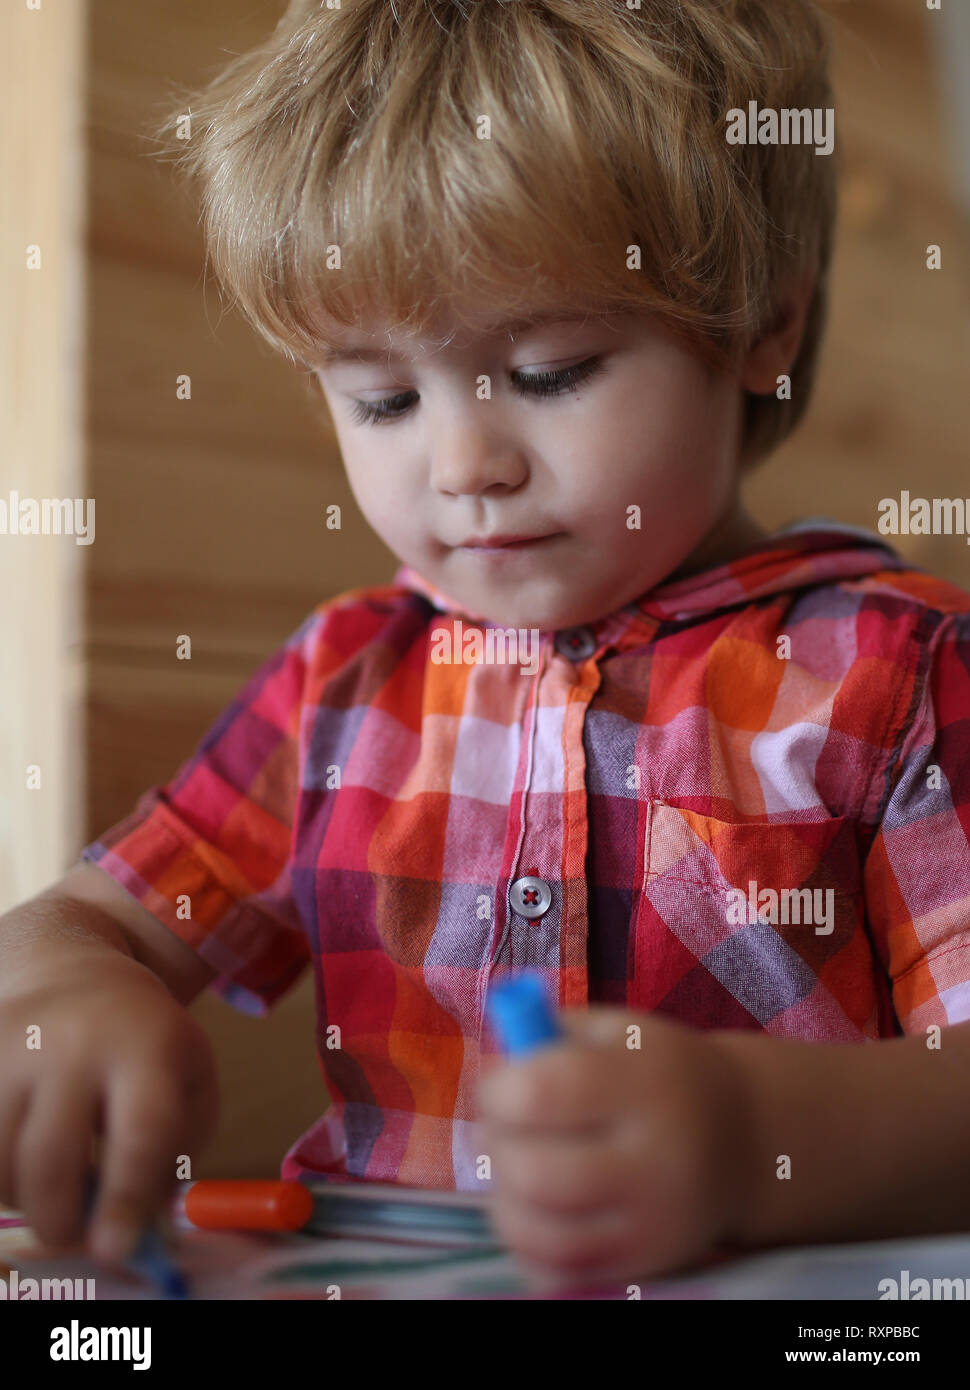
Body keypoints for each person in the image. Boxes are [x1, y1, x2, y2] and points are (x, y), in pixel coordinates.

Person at [2, 0, 969, 1287]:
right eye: (384, 397)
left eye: (555, 369)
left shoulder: (895, 676)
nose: (465, 465)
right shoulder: (343, 680)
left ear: (764, 326)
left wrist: (747, 1140)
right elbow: (88, 922)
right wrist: (67, 996)